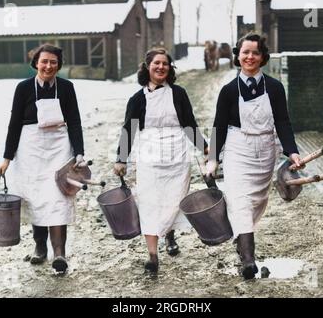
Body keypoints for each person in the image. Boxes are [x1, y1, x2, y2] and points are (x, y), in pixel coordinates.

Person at [206, 33, 302, 280]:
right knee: (239, 201)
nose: (249, 57)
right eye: (245, 52)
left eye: (255, 53)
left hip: (265, 150)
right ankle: (249, 261)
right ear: (238, 56)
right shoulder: (228, 91)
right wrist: (214, 158)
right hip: (238, 148)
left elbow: (283, 122)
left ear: (262, 57)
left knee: (257, 202)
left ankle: (241, 240)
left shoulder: (274, 87)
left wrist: (292, 151)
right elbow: (219, 125)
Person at [114, 48, 208, 273]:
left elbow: (189, 125)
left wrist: (206, 147)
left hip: (177, 156)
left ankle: (170, 235)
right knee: (149, 203)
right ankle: (153, 255)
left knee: (174, 201)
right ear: (147, 67)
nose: (161, 67)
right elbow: (129, 130)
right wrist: (121, 159)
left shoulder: (179, 93)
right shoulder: (137, 99)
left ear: (170, 68)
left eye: (165, 64)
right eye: (156, 63)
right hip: (150, 157)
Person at [0, 44, 85, 274]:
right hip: (30, 151)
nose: (48, 66)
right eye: (44, 61)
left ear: (59, 65)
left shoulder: (66, 88)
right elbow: (14, 123)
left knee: (58, 198)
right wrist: (7, 157)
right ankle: (39, 247)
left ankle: (60, 254)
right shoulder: (23, 88)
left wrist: (79, 153)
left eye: (53, 62)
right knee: (36, 198)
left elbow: (74, 121)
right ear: (36, 63)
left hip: (59, 149)